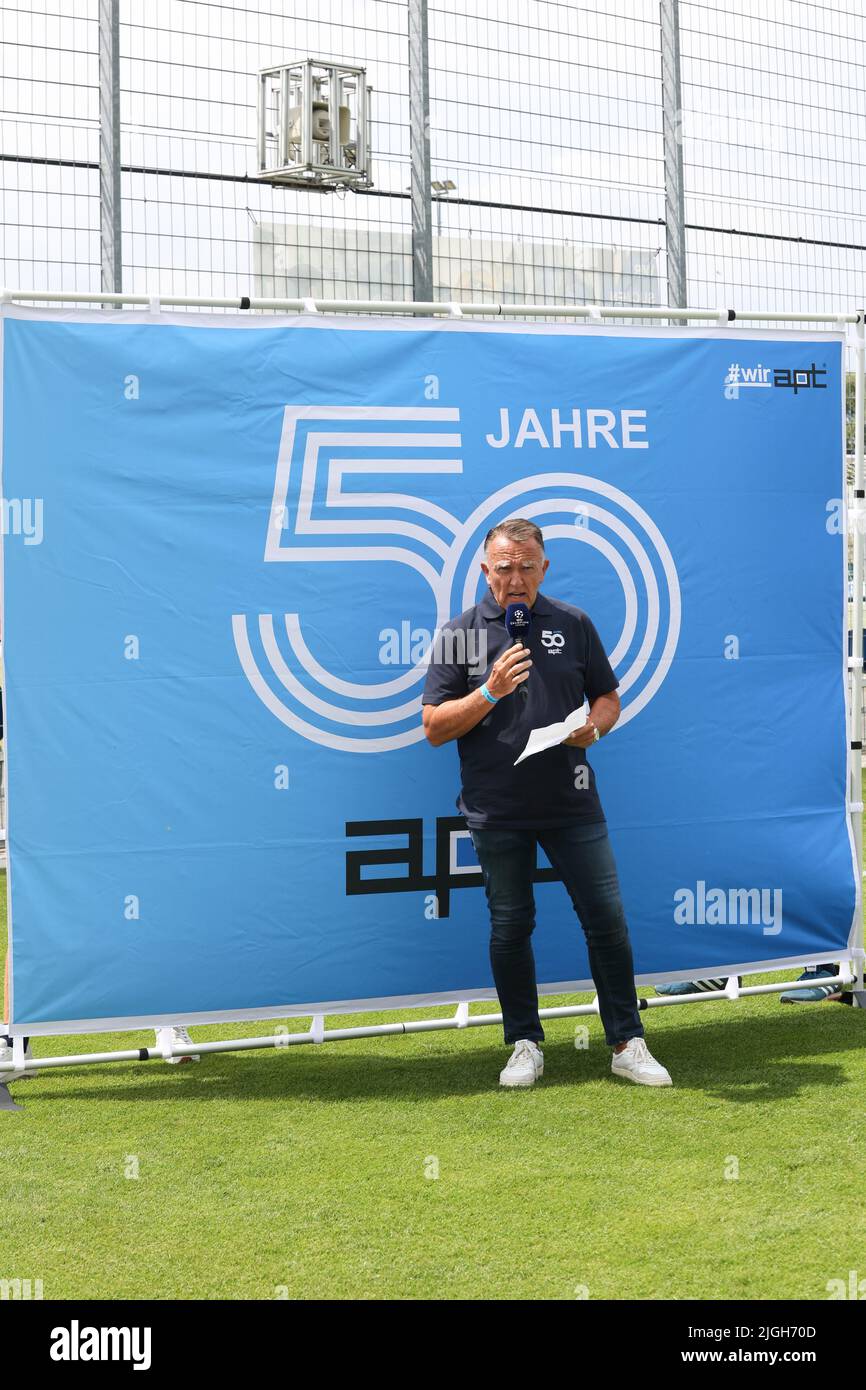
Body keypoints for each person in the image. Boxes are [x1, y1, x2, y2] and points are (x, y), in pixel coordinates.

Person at [422, 518, 672, 1088]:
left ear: (544, 568)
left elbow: (607, 697)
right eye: (503, 567)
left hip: (572, 801)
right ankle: (524, 1043)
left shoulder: (574, 623)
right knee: (511, 924)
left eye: (526, 566)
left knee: (606, 920)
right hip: (496, 807)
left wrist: (596, 726)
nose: (515, 578)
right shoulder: (458, 635)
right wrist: (490, 691)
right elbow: (434, 727)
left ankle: (627, 1040)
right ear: (485, 570)